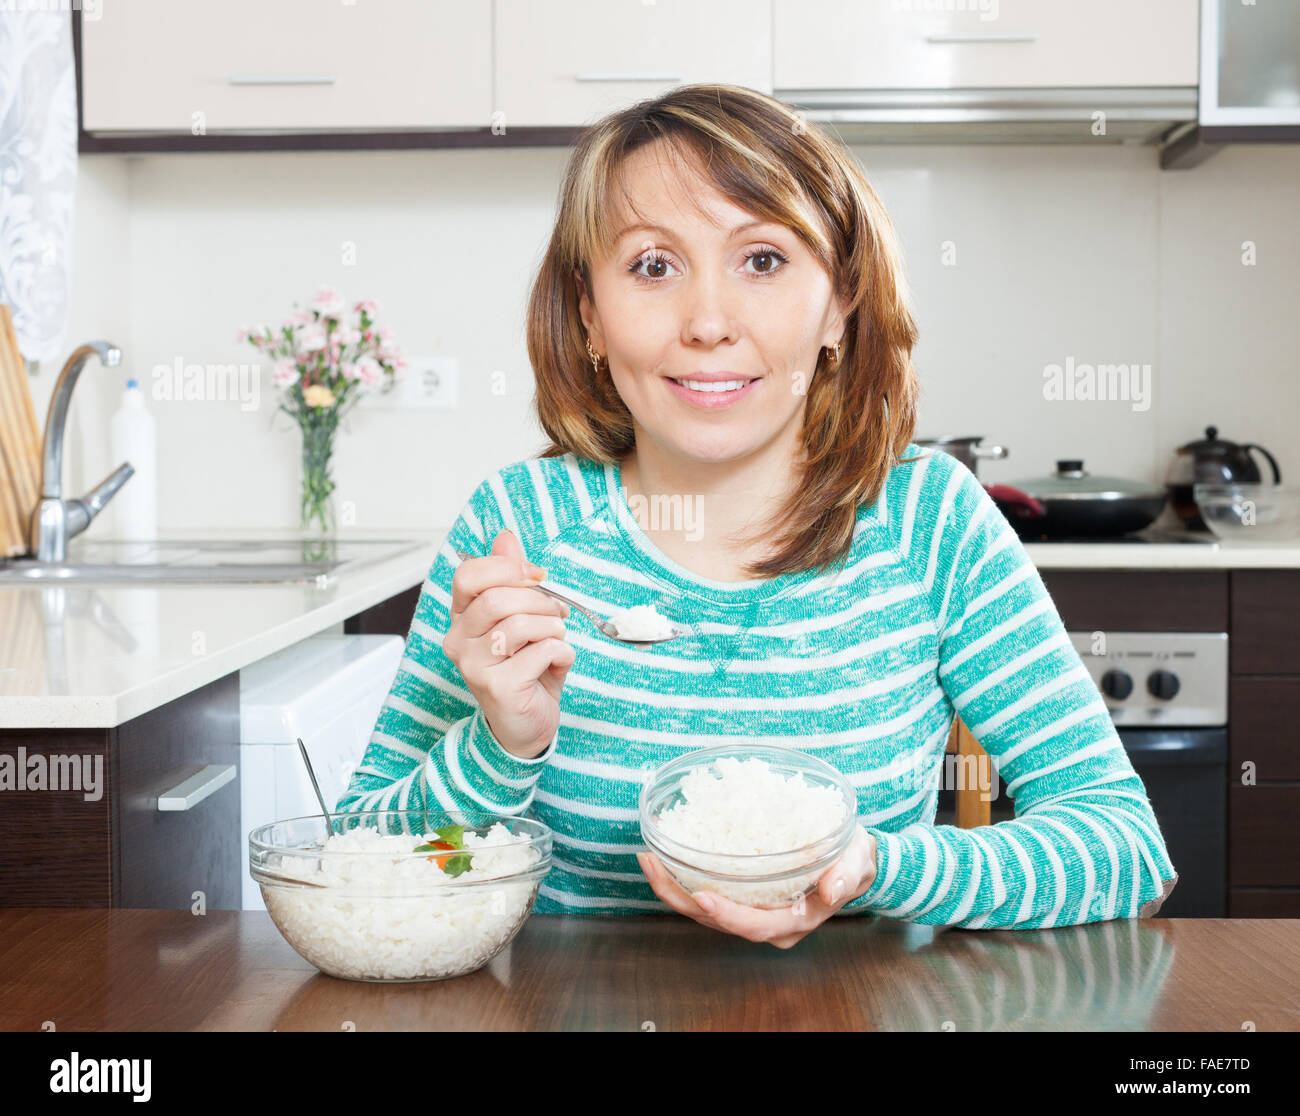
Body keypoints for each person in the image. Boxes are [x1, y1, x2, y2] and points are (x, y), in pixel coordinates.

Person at [338, 83, 1177, 947]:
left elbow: (1125, 848)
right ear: (590, 314)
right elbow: (359, 862)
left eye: (764, 261)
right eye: (653, 266)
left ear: (840, 306)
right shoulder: (521, 529)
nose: (708, 322)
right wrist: (499, 747)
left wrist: (877, 868)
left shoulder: (928, 519)